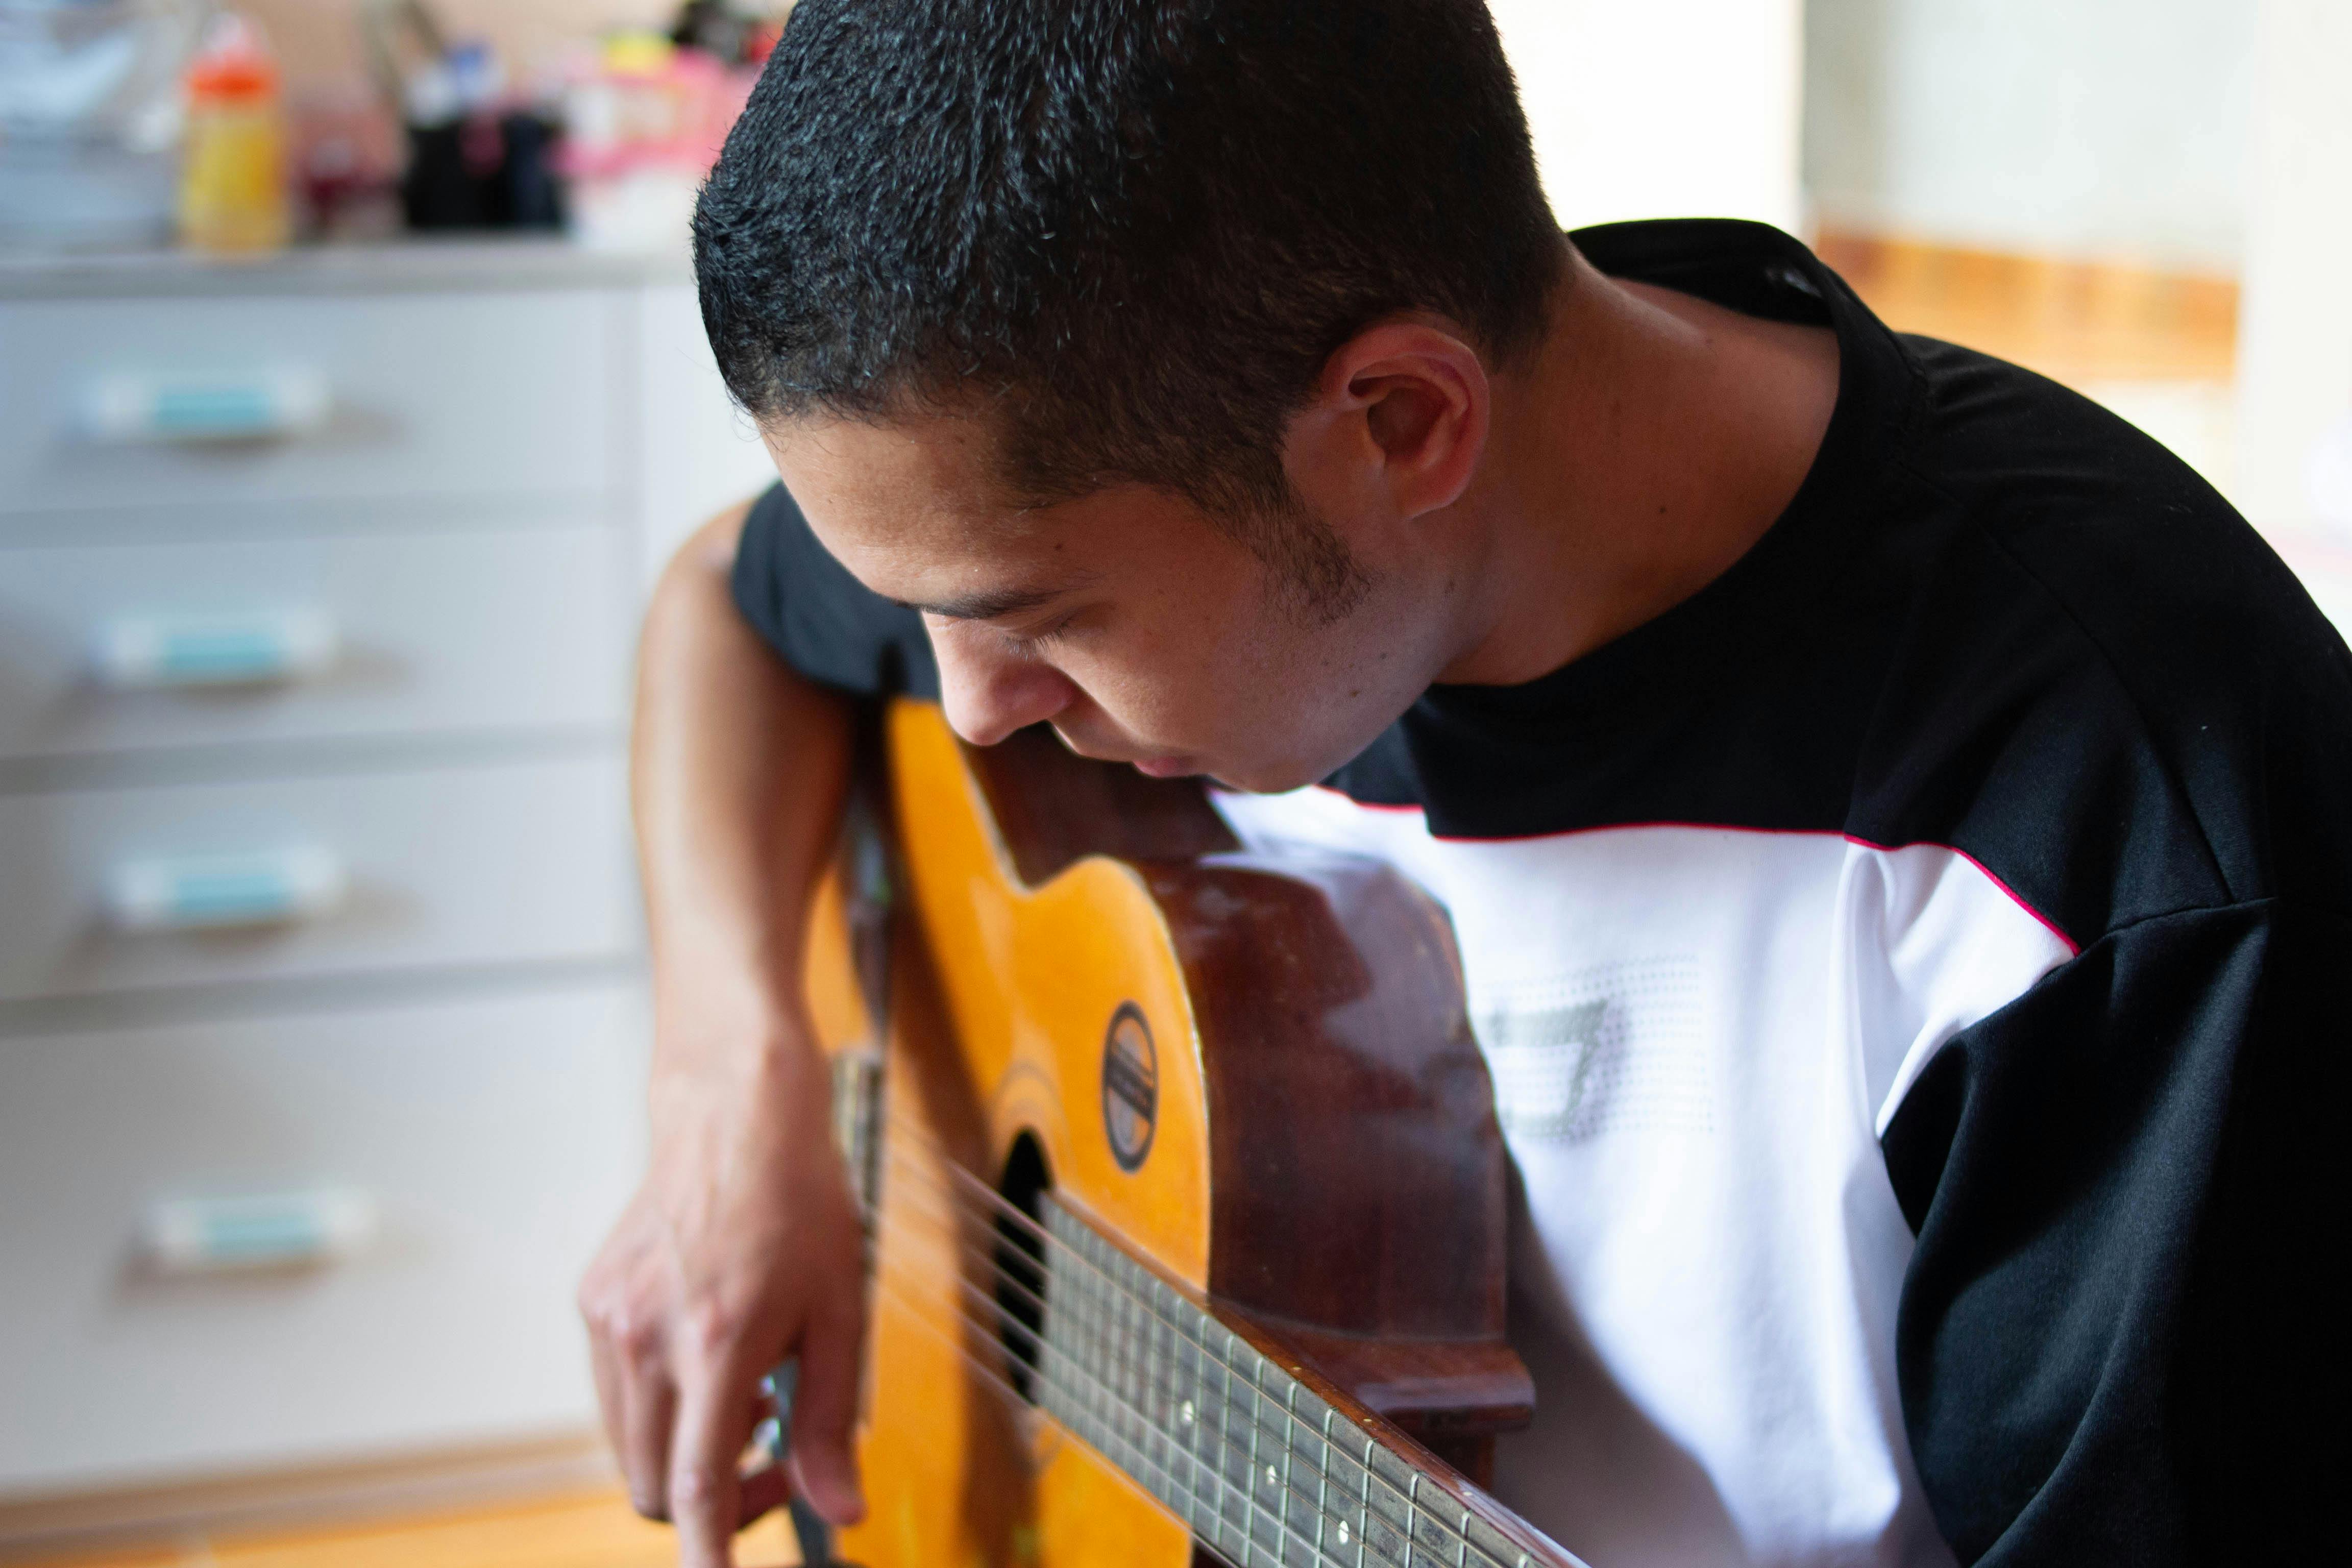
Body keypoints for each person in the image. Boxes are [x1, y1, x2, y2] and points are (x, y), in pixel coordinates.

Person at [577, 2, 2345, 1564]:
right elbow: (714, 618)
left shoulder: (2127, 852)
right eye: (925, 615)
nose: (974, 713)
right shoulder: (1120, 449)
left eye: (1030, 615)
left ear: (1403, 426)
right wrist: (733, 1085)